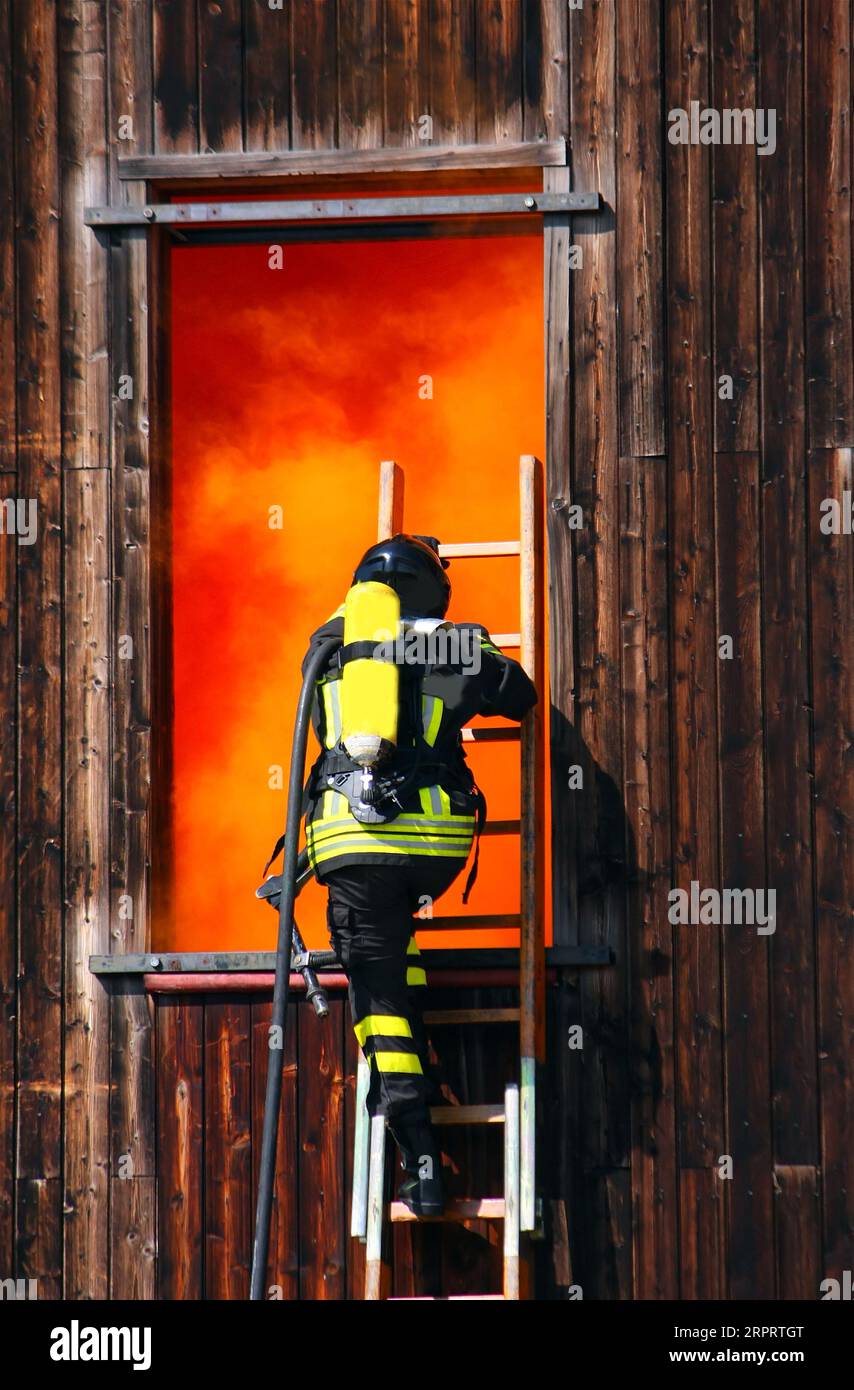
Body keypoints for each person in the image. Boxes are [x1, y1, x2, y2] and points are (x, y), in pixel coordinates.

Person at [300, 534, 537, 1215]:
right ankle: (426, 1152)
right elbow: (516, 695)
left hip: (352, 846)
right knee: (397, 954)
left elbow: (318, 730)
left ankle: (422, 1161)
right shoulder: (455, 641)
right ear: (433, 588)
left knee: (382, 1008)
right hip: (434, 844)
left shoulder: (327, 643)